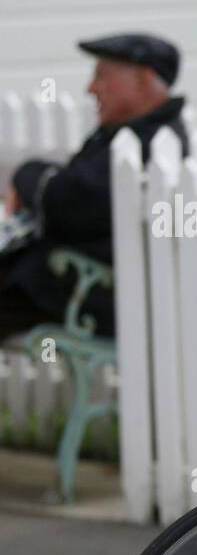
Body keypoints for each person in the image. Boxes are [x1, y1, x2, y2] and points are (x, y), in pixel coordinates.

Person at [1, 33, 186, 339]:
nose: (91, 88)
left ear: (143, 81)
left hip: (89, 291)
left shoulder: (146, 142)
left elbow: (69, 202)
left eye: (102, 76)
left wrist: (27, 174)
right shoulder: (123, 134)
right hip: (52, 280)